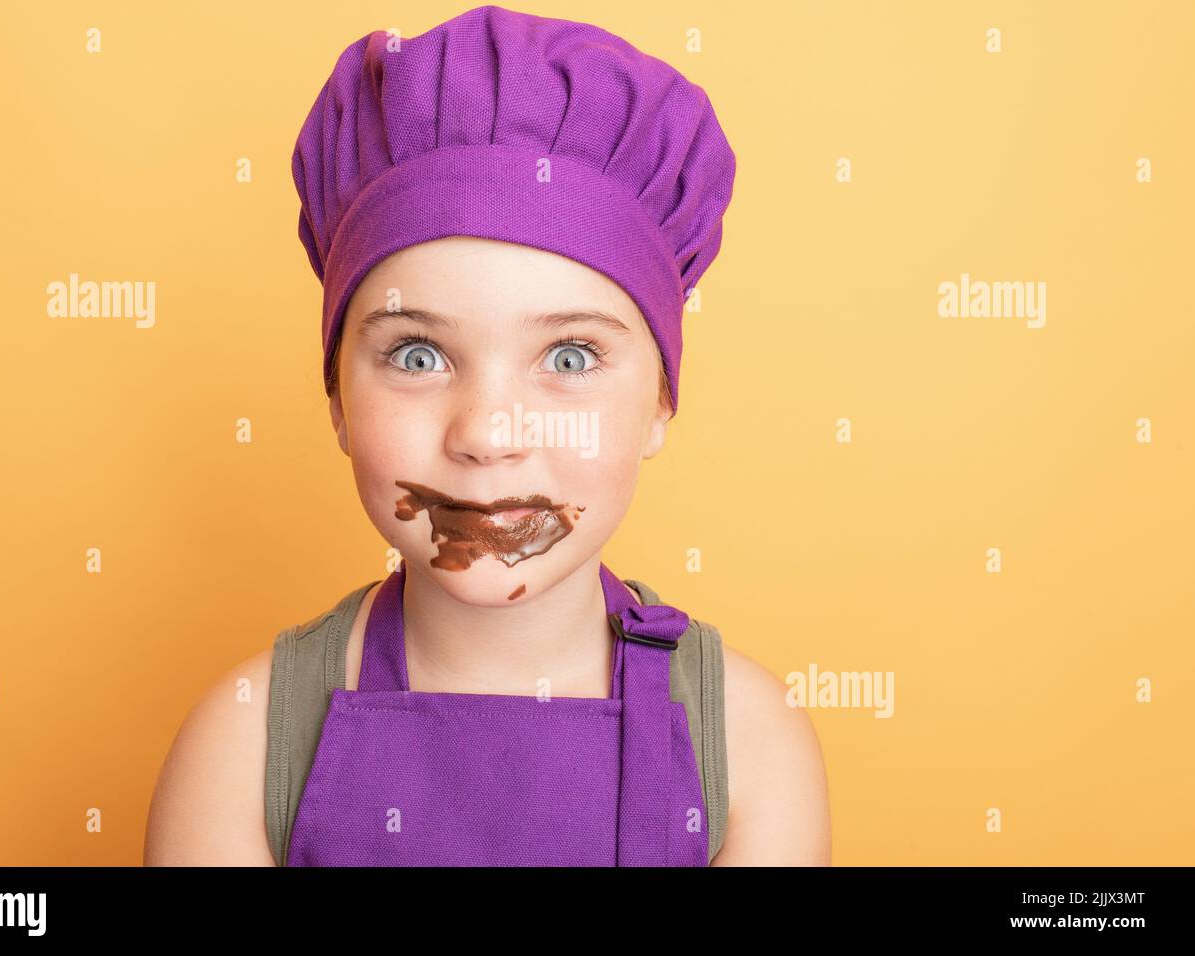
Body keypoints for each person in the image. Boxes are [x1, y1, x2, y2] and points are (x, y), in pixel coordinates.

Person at [145, 4, 830, 866]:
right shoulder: (241, 749)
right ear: (336, 401)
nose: (490, 434)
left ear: (661, 401)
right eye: (419, 354)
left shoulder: (750, 745)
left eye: (572, 357)